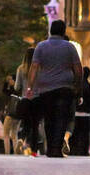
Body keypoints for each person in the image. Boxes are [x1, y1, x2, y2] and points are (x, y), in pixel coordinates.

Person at [26, 20, 82, 158]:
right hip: (65, 88)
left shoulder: (41, 46)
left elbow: (34, 67)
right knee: (61, 118)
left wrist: (30, 86)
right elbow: (78, 69)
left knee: (48, 118)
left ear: (51, 30)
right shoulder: (70, 47)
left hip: (45, 88)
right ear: (64, 31)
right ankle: (56, 148)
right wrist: (77, 85)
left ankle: (50, 147)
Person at [15, 46, 43, 155]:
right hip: (37, 100)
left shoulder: (21, 69)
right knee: (35, 125)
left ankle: (21, 139)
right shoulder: (40, 68)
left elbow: (17, 87)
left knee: (25, 123)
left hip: (25, 100)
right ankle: (34, 151)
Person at [70, 67, 90, 156]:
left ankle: (73, 150)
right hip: (86, 115)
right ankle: (83, 151)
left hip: (75, 114)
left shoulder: (76, 86)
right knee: (84, 136)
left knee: (74, 134)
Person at [0, 72, 20, 155]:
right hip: (18, 115)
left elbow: (4, 92)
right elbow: (4, 91)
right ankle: (16, 152)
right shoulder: (20, 89)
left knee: (6, 134)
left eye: (11, 79)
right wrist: (6, 83)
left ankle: (7, 152)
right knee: (14, 134)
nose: (9, 81)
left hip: (10, 114)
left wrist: (7, 83)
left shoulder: (12, 91)